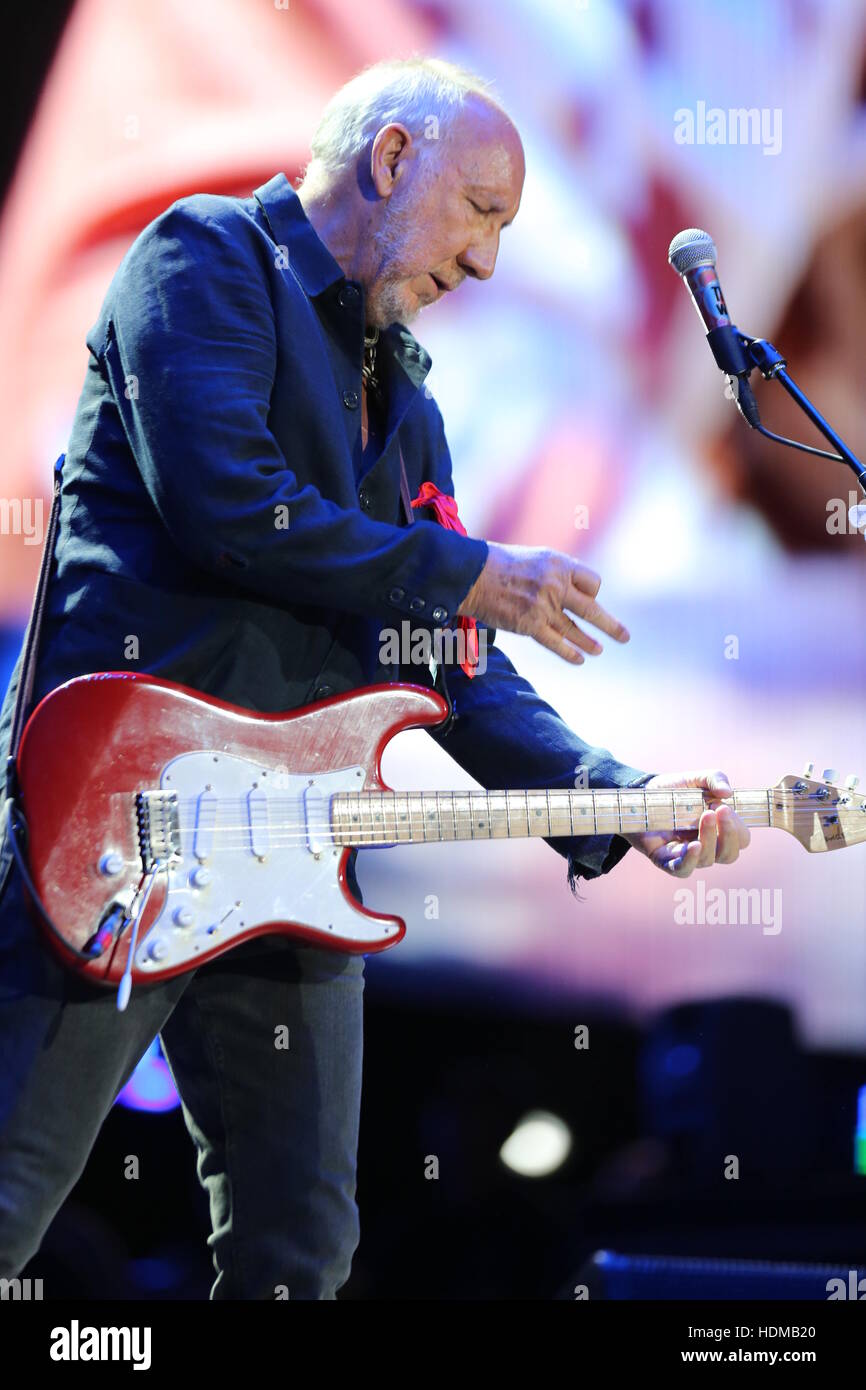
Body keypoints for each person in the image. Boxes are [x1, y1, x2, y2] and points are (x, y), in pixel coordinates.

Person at [0, 56, 750, 1299]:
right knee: (13, 1191)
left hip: (289, 857)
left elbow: (450, 665)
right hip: (123, 821)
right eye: (481, 213)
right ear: (393, 159)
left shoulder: (406, 401)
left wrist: (615, 792)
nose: (485, 264)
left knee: (301, 1251)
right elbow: (231, 507)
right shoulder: (200, 259)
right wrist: (462, 570)